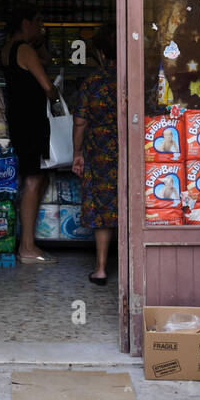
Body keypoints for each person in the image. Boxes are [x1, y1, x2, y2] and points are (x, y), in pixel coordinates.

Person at [1, 7, 61, 264]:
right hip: (31, 122)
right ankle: (27, 247)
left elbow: (43, 59)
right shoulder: (24, 50)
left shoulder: (6, 49)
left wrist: (40, 41)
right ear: (25, 22)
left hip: (18, 120)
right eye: (38, 22)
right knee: (33, 180)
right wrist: (56, 97)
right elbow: (47, 85)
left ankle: (27, 243)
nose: (41, 27)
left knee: (37, 177)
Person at [71, 24, 118, 285]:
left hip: (99, 150)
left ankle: (100, 268)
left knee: (103, 208)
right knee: (133, 202)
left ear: (100, 53)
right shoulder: (136, 78)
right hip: (132, 147)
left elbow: (80, 122)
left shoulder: (93, 83)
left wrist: (77, 152)